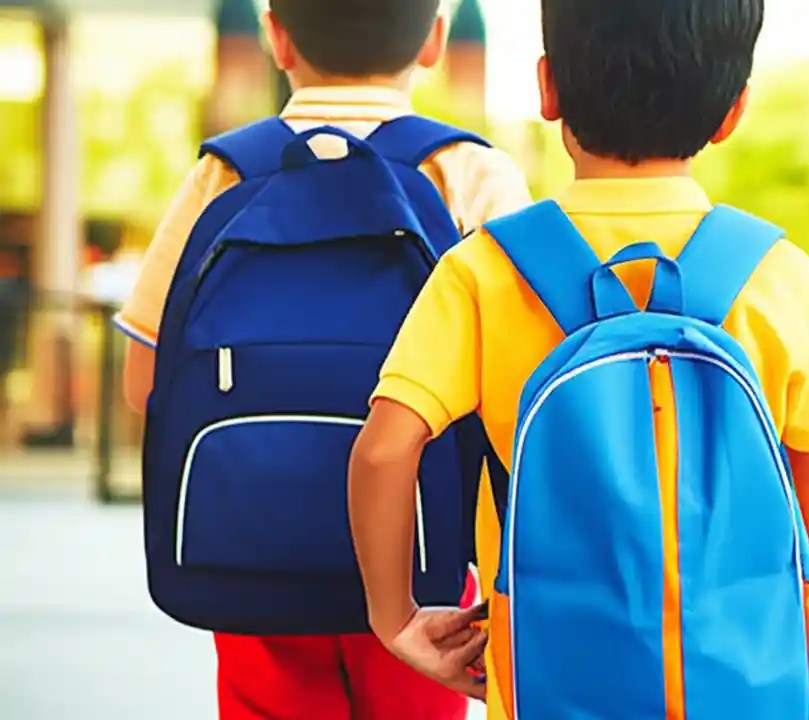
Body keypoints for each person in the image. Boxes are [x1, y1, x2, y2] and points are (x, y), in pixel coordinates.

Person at [347, 1, 809, 718]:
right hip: (748, 687)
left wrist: (395, 619)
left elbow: (385, 453)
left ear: (548, 90)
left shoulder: (485, 272)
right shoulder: (773, 274)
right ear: (733, 111)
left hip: (550, 686)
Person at [115, 1, 530, 718]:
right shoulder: (471, 173)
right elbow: (520, 393)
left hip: (252, 555)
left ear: (276, 35)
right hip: (421, 574)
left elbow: (142, 382)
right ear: (433, 40)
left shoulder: (224, 173)